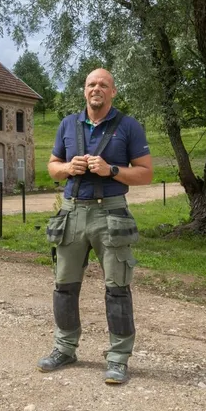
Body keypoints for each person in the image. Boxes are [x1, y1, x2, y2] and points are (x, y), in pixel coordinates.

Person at [39, 68, 153, 385]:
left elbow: (145, 174)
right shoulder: (68, 125)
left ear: (113, 92)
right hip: (71, 212)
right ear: (84, 91)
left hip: (111, 214)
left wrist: (111, 169)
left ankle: (118, 359)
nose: (96, 88)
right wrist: (66, 167)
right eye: (91, 84)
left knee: (117, 288)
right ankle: (64, 349)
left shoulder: (128, 127)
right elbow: (51, 168)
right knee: (64, 286)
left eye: (103, 84)